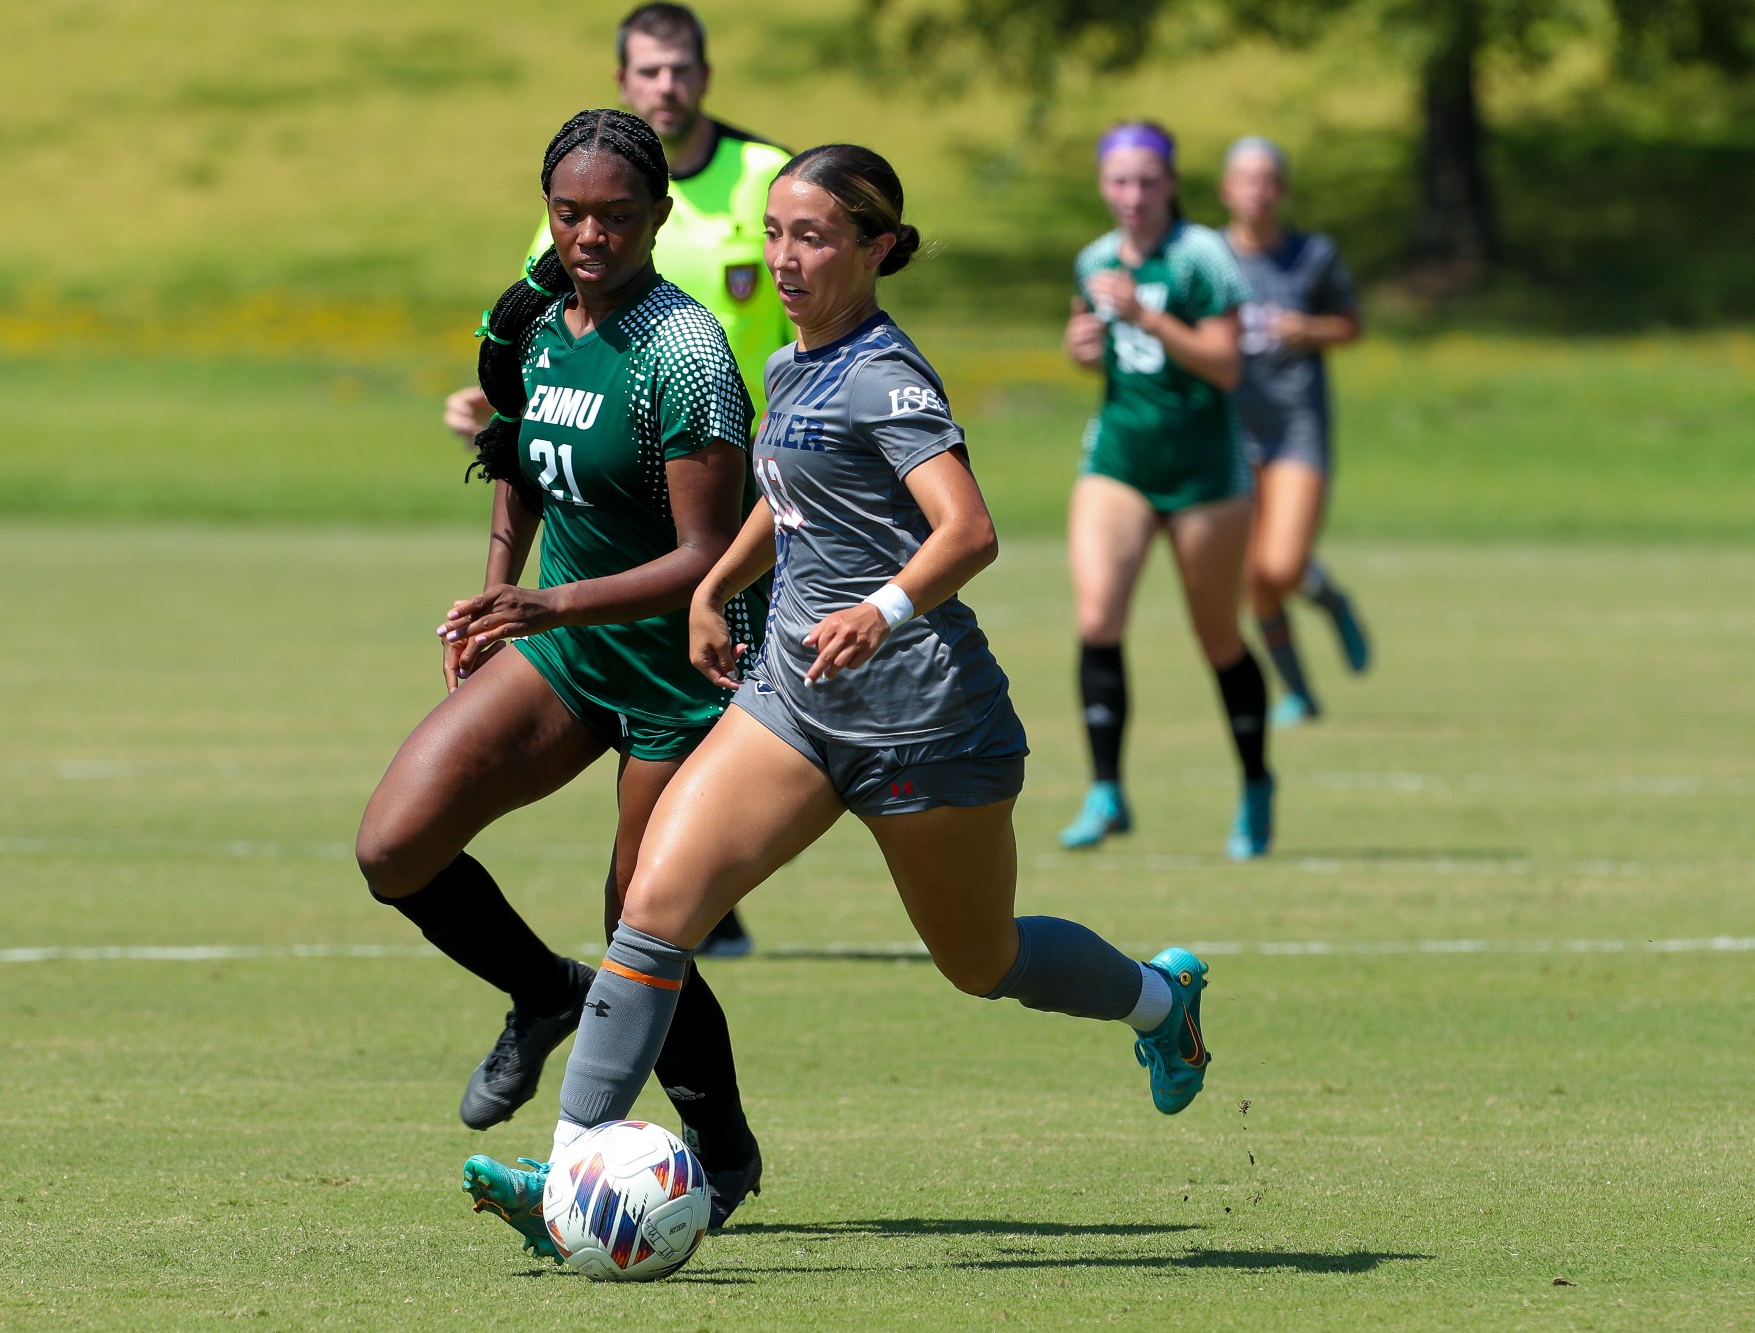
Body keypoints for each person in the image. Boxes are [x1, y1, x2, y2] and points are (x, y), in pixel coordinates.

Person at [462, 144, 1215, 1261]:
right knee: (655, 904)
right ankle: (569, 1166)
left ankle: (1159, 1003)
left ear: (875, 248)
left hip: (921, 719)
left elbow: (969, 531)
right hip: (794, 705)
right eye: (772, 233)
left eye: (810, 237)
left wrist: (883, 610)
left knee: (981, 961)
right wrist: (717, 581)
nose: (783, 257)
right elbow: (788, 494)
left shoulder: (883, 373)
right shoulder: (791, 365)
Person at [355, 109, 764, 1233]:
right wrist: (496, 592)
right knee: (395, 846)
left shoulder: (686, 355)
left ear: (658, 217)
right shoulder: (535, 319)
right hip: (566, 647)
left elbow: (704, 559)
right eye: (568, 212)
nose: (589, 235)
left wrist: (544, 599)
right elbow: (515, 452)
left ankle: (722, 1152)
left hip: (686, 669)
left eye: (615, 217)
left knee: (643, 921)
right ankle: (543, 993)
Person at [445, 2, 791, 959]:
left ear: (705, 75)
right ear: (625, 80)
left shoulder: (769, 180)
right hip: (611, 503)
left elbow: (832, 276)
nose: (665, 85)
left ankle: (696, 866)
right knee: (405, 838)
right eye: (646, 71)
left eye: (679, 69)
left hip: (747, 487)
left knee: (645, 906)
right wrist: (503, 406)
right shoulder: (580, 194)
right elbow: (532, 359)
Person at [1057, 122, 1278, 860]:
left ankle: (1254, 783)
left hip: (1206, 473)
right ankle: (1106, 790)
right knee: (1098, 617)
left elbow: (1225, 365)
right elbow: (1103, 345)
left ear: (1171, 183)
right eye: (1119, 181)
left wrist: (1146, 314)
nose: (1134, 196)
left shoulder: (1202, 256)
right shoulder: (1093, 259)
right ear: (1102, 185)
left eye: (1147, 181)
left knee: (1217, 635)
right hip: (1120, 459)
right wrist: (1082, 346)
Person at [1220, 136, 1371, 727]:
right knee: (1251, 574)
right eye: (1246, 179)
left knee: (1280, 567)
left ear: (1280, 190)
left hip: (1297, 428)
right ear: (1227, 190)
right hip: (1230, 433)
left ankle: (1330, 599)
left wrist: (1307, 328)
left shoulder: (1314, 255)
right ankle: (1299, 693)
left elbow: (1352, 325)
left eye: (1267, 179)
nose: (1257, 190)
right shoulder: (1207, 256)